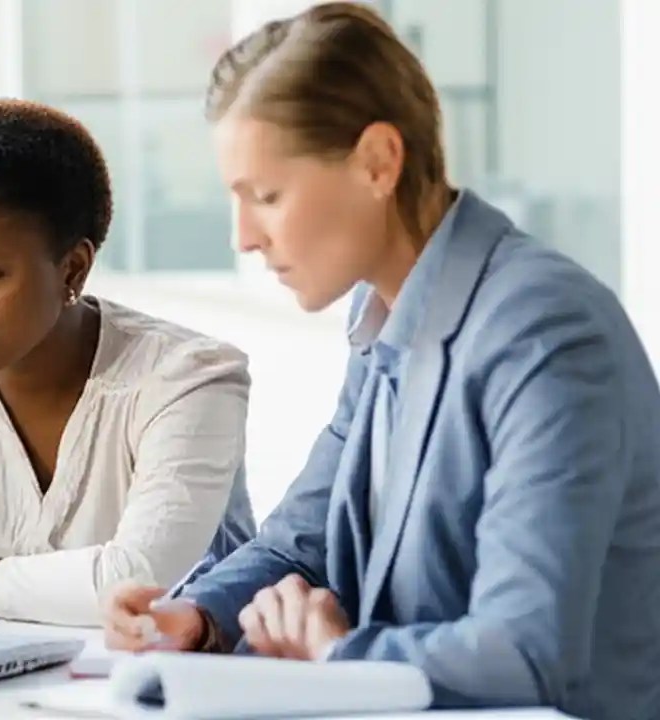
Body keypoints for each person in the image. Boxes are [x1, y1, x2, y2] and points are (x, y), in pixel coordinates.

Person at [101, 4, 660, 717]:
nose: (243, 237)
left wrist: (338, 656)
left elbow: (523, 650)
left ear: (378, 162)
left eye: (266, 196)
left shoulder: (543, 334)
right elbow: (302, 544)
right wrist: (195, 617)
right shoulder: (385, 315)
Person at [0, 99, 255, 627]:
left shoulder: (188, 380)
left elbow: (135, 582)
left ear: (73, 269)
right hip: (7, 677)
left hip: (182, 672)